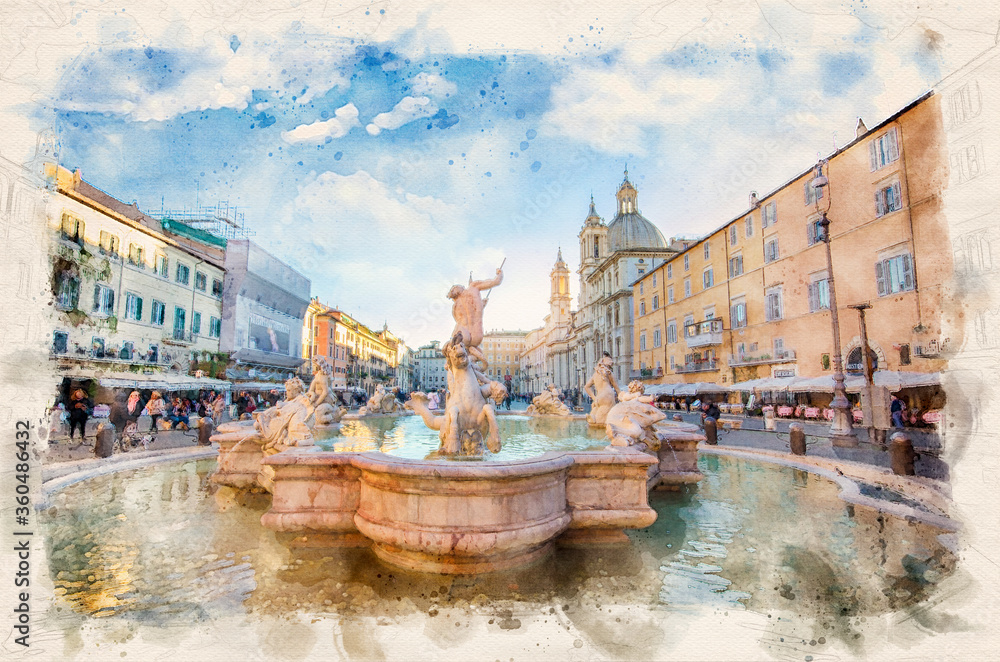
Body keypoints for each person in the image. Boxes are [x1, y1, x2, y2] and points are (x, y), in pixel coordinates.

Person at [447, 266, 504, 371]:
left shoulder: (472, 288)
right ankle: (473, 366)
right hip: (474, 335)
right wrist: (481, 305)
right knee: (468, 353)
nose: (454, 289)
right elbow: (472, 313)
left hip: (466, 334)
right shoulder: (458, 303)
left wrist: (499, 274)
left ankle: (454, 361)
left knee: (456, 348)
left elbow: (495, 281)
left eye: (454, 287)